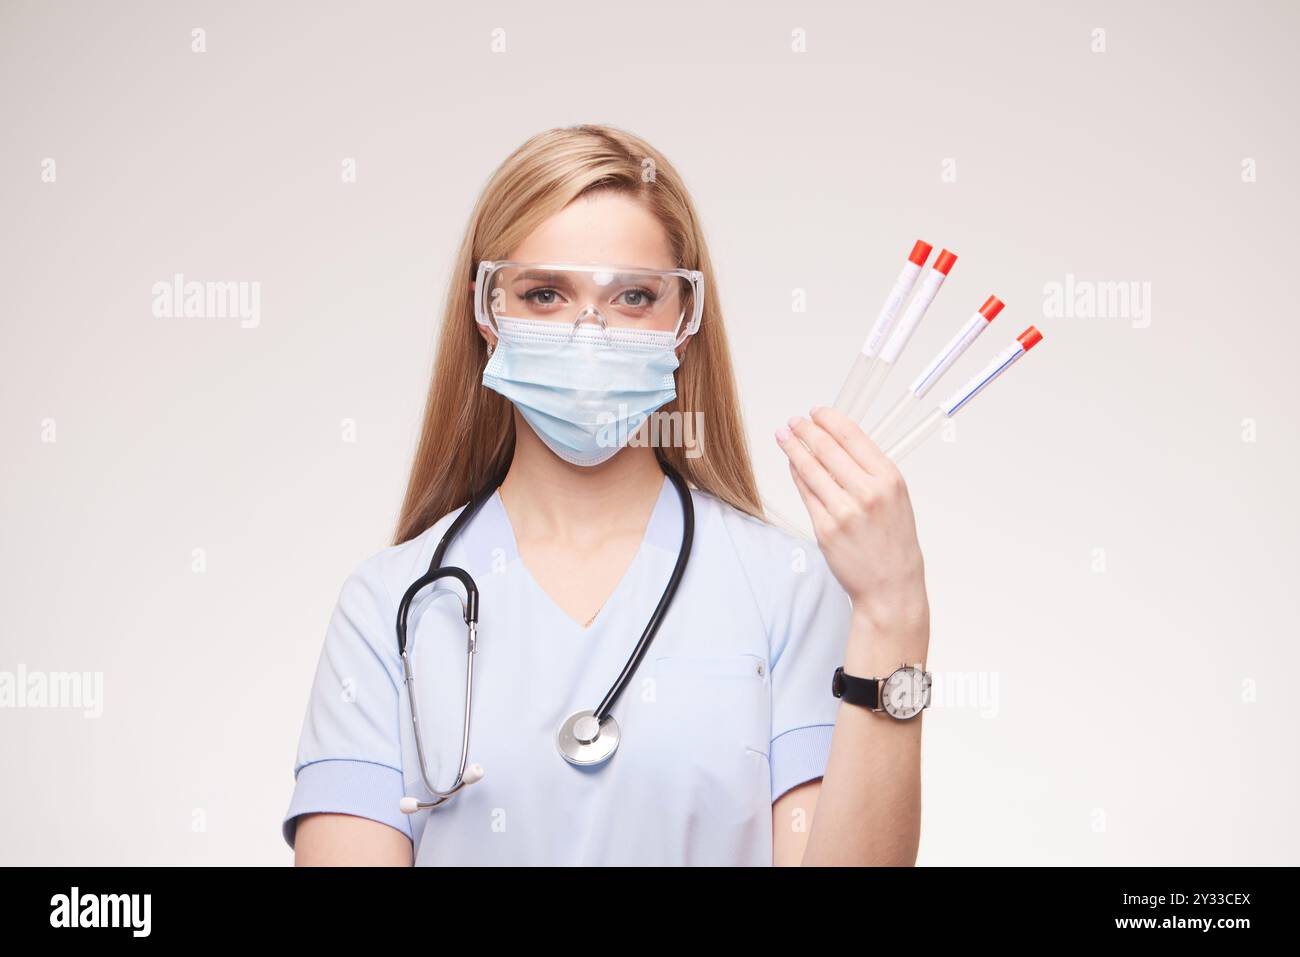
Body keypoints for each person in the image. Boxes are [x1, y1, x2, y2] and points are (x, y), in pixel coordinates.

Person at [282, 124, 931, 866]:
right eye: (544, 294)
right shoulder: (388, 604)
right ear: (487, 313)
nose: (587, 333)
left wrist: (894, 610)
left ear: (683, 322)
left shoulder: (784, 587)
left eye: (633, 297)